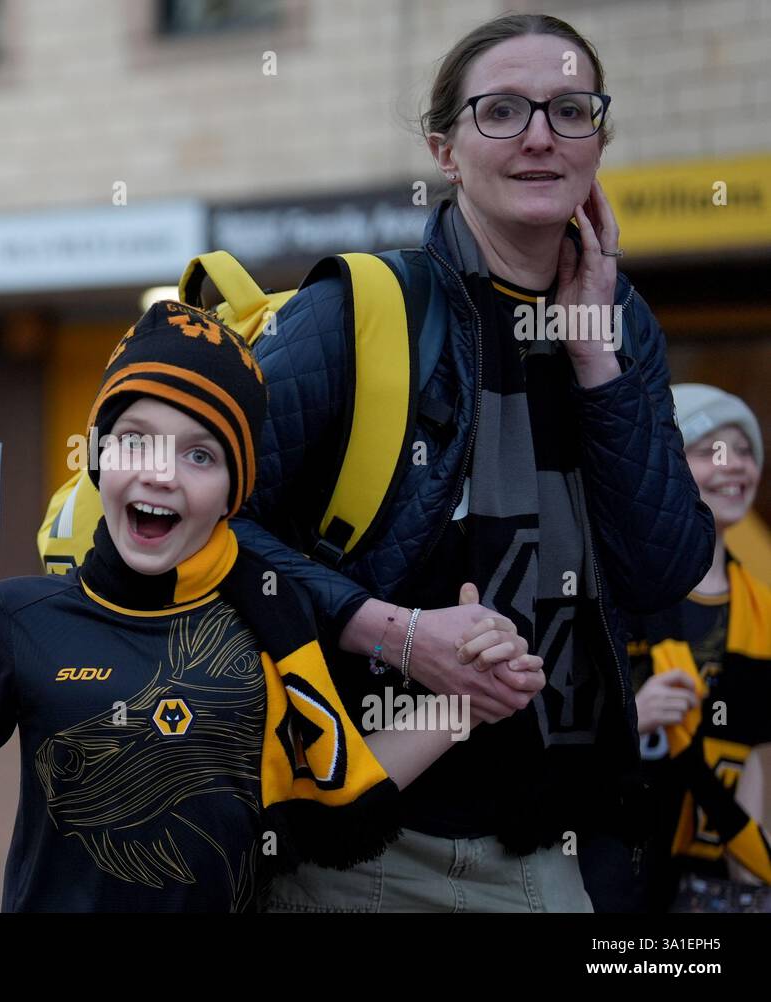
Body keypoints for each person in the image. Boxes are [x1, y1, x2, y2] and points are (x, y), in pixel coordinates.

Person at [231, 13, 715, 912]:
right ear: (445, 149)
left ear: (598, 141)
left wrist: (594, 357)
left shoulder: (623, 322)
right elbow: (216, 530)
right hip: (373, 842)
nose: (539, 135)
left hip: (575, 837)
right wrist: (394, 633)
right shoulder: (361, 314)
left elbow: (663, 571)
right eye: (501, 111)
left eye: (570, 109)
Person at [0, 301, 542, 911]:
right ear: (99, 457)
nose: (160, 471)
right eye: (135, 438)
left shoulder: (273, 618)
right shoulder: (20, 616)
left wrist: (465, 705)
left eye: (200, 453)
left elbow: (340, 792)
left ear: (231, 494)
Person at [583, 385, 771, 912]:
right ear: (664, 463)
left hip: (711, 882)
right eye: (711, 449)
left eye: (746, 449)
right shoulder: (607, 591)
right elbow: (539, 725)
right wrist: (628, 719)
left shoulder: (763, 612)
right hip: (602, 859)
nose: (735, 466)